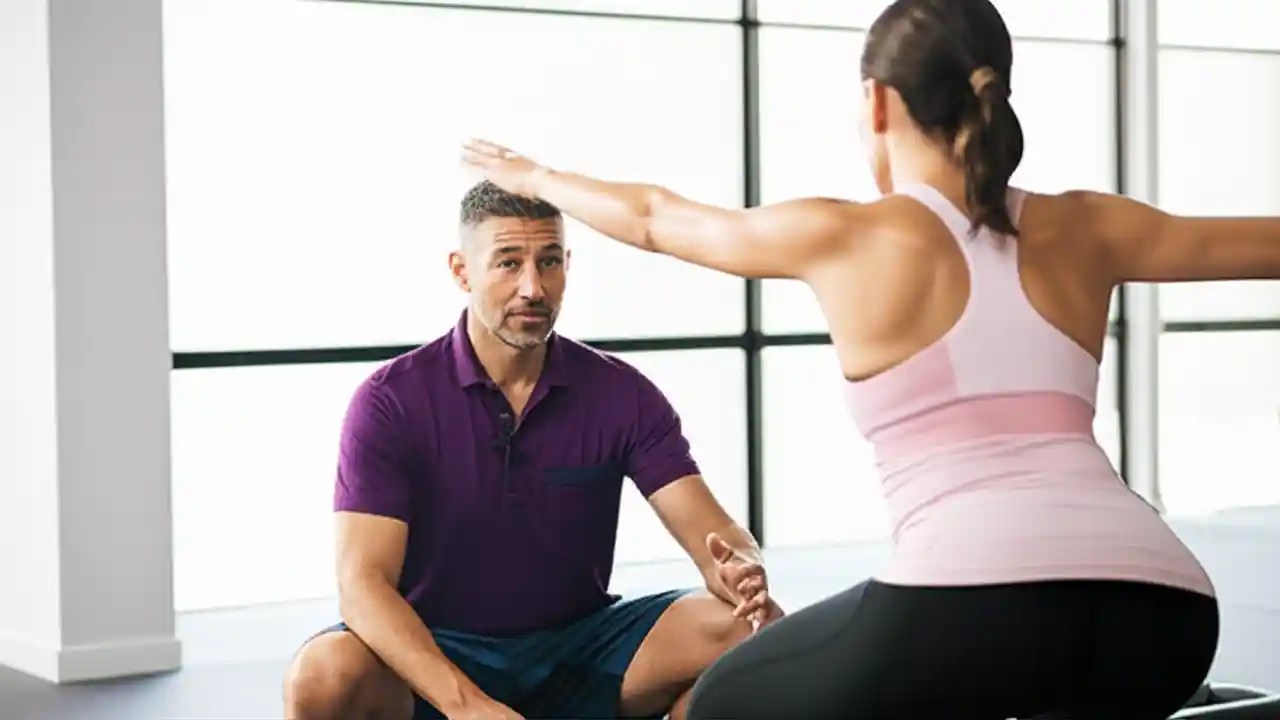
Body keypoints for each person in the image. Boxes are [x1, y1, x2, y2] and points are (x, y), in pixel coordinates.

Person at [459, 0, 1280, 715]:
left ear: (876, 101)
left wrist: (536, 174)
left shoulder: (848, 234)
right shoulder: (1090, 226)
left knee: (726, 701)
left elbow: (657, 219)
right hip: (1166, 617)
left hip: (979, 606)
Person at [282, 180, 784, 720]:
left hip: (578, 649)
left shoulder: (623, 394)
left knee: (755, 631)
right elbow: (362, 585)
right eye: (507, 263)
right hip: (434, 655)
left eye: (549, 262)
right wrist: (468, 705)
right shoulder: (388, 402)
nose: (533, 288)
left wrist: (743, 564)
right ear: (461, 271)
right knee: (324, 674)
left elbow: (714, 535)